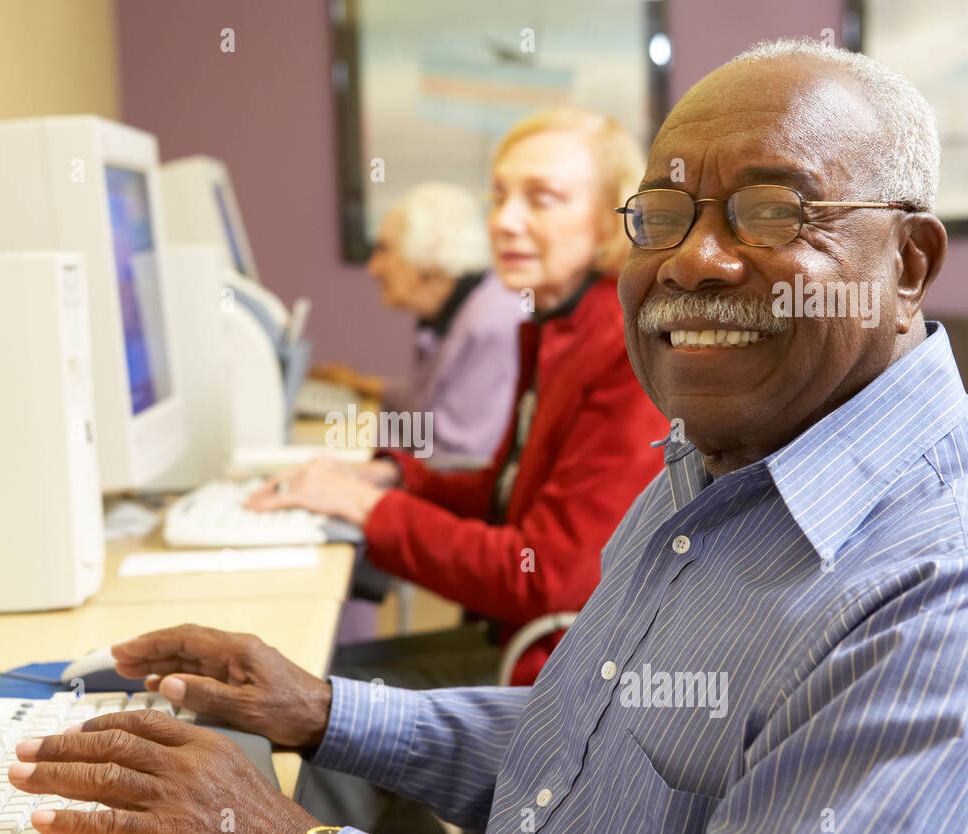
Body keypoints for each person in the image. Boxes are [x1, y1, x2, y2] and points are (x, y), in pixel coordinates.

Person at [8, 38, 968, 834]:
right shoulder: (717, 459)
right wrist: (322, 710)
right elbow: (586, 753)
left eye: (773, 212)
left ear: (908, 263)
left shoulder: (960, 595)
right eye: (664, 214)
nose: (697, 258)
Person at [248, 108, 667, 689]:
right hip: (514, 643)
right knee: (293, 681)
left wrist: (369, 510)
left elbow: (545, 576)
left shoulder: (624, 350)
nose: (504, 221)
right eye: (498, 197)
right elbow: (504, 497)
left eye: (541, 198)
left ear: (609, 221)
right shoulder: (551, 326)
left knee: (294, 702)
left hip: (562, 690)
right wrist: (394, 481)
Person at [312, 183, 524, 462]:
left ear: (429, 254)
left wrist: (369, 476)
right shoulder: (455, 313)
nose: (373, 268)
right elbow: (430, 403)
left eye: (384, 250)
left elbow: (462, 460)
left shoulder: (490, 323)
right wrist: (360, 383)